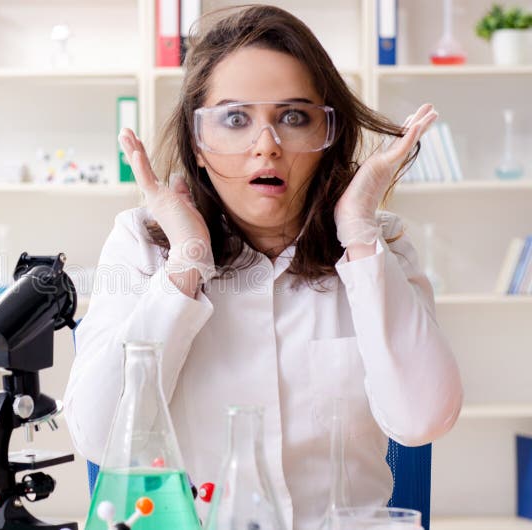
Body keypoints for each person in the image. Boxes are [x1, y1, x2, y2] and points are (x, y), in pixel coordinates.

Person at [64, 4, 463, 529]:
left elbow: (422, 421)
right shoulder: (141, 245)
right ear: (198, 144)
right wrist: (186, 263)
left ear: (328, 138)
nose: (266, 146)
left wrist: (360, 234)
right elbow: (99, 438)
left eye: (294, 117)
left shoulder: (378, 243)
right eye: (235, 119)